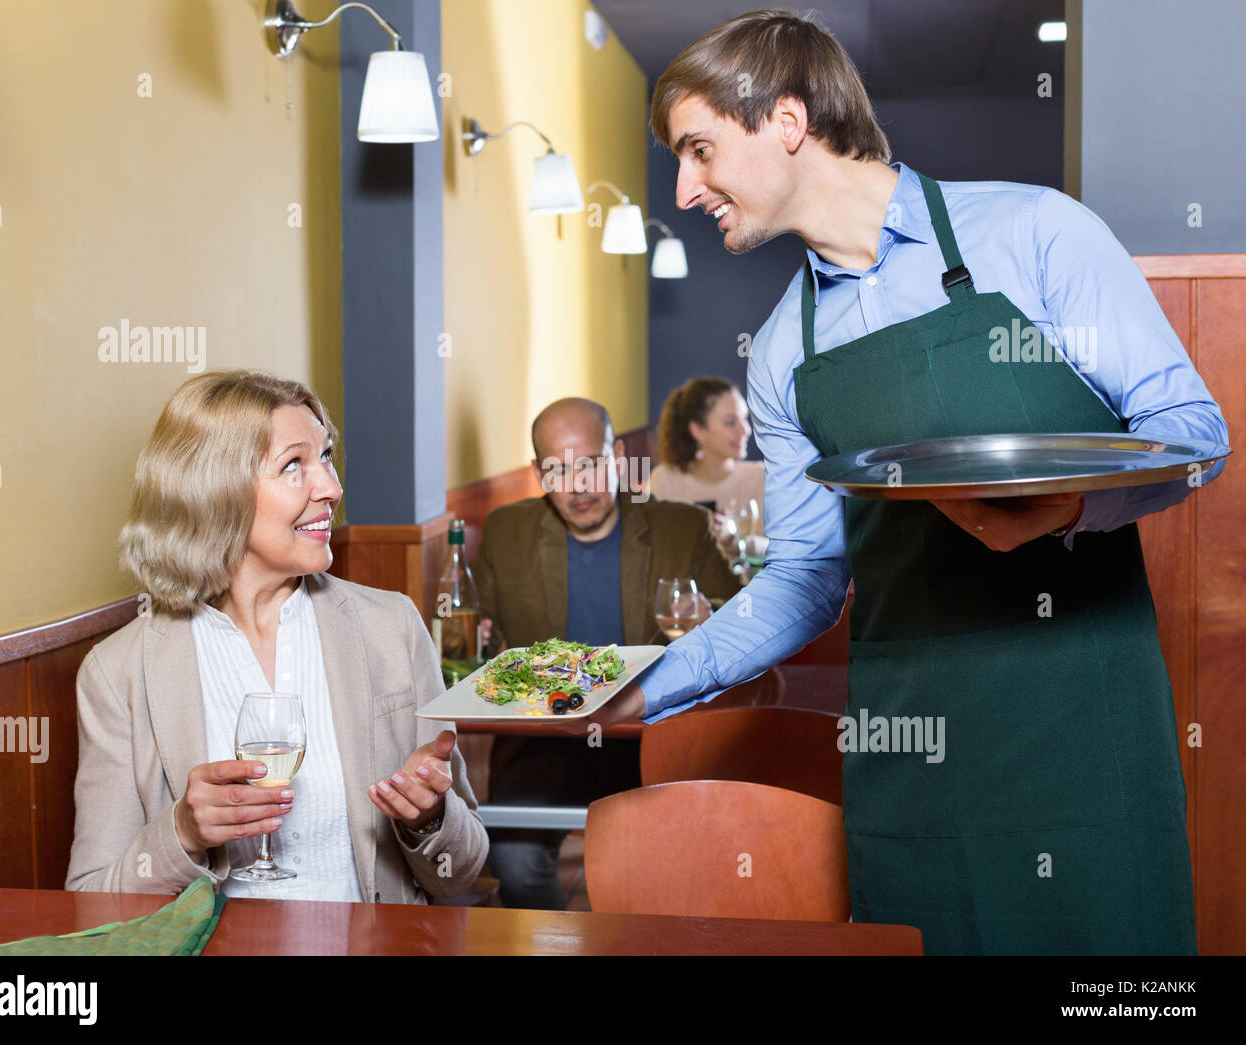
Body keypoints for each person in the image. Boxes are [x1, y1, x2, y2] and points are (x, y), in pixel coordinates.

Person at [588, 10, 1229, 955]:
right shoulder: (782, 350)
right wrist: (643, 688)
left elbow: (1193, 430)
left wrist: (1072, 506)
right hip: (910, 746)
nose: (684, 190)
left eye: (699, 150)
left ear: (788, 120)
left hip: (1079, 717)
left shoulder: (1035, 233)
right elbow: (807, 577)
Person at [66, 370, 489, 903]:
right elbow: (90, 901)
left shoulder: (392, 627)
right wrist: (183, 834)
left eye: (326, 456)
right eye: (294, 465)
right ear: (214, 491)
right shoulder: (118, 674)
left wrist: (427, 819)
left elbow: (462, 871)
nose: (332, 488)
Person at [475, 397, 741, 909]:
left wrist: (712, 622)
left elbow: (742, 629)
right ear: (538, 473)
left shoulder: (682, 528)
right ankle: (558, 940)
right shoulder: (506, 532)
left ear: (618, 457)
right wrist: (476, 639)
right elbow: (476, 639)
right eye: (557, 470)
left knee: (665, 875)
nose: (578, 487)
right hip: (547, 742)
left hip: (654, 736)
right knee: (513, 860)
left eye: (590, 465)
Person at [647, 376, 768, 561]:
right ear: (698, 431)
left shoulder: (760, 477)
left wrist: (736, 540)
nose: (746, 430)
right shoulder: (664, 480)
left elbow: (784, 551)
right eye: (731, 422)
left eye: (744, 419)